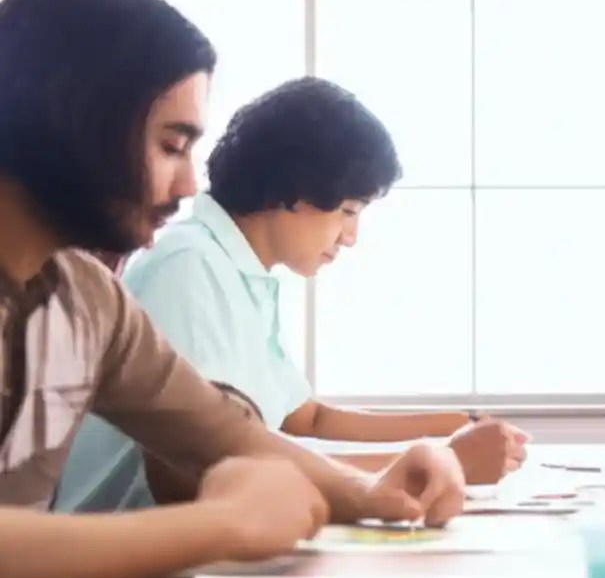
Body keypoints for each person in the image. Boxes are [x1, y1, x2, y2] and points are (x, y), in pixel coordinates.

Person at [0, 0, 464, 578]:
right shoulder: (181, 266)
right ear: (73, 121)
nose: (190, 185)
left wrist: (380, 493)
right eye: (171, 146)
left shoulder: (90, 300)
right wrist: (220, 525)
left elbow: (221, 434)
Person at [56, 78, 528, 514]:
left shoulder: (243, 271)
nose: (350, 237)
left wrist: (451, 424)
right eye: (347, 211)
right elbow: (200, 467)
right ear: (298, 193)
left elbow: (307, 418)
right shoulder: (190, 265)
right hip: (128, 550)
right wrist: (440, 462)